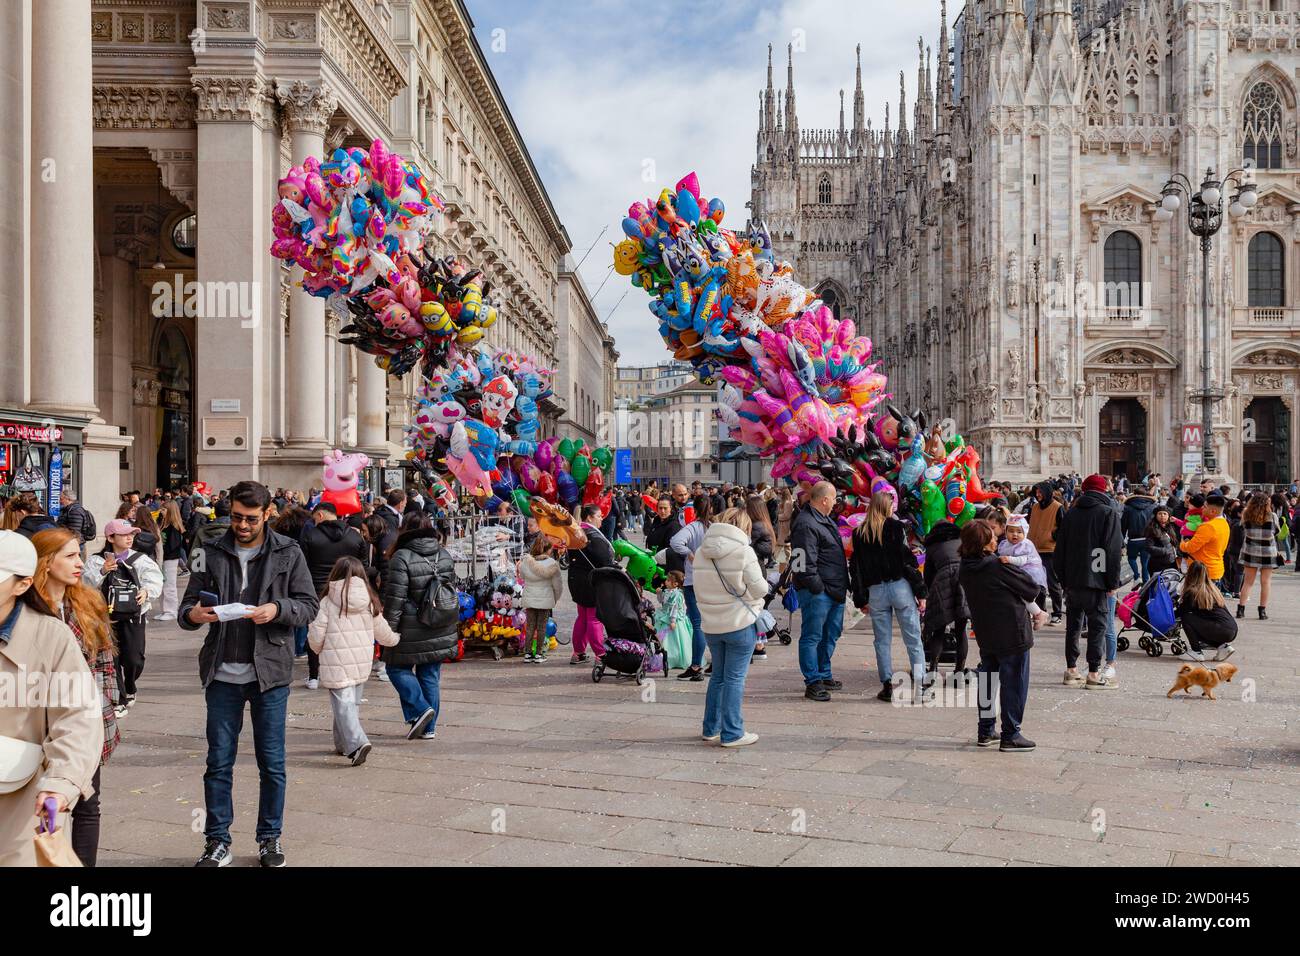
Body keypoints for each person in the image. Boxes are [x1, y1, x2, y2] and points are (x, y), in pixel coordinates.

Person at [179, 480, 319, 868]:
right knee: (218, 762)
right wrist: (193, 614)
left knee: (271, 763)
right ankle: (216, 840)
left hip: (268, 674)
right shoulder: (209, 550)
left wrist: (277, 609)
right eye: (237, 517)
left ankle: (269, 838)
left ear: (268, 513)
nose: (242, 525)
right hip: (221, 672)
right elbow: (187, 607)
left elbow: (308, 606)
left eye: (250, 519)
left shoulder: (288, 552)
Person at [0, 530, 103, 866]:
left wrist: (60, 784)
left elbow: (78, 717)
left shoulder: (50, 636)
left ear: (21, 584)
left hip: (20, 798)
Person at [31, 529, 119, 866]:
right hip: (37, 720)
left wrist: (104, 710)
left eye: (79, 554)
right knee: (40, 800)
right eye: (70, 556)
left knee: (87, 803)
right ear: (46, 561)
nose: (79, 563)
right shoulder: (25, 607)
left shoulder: (88, 601)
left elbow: (106, 663)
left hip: (85, 718)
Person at [307, 556, 398, 766]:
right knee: (350, 705)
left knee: (343, 705)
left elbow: (316, 634)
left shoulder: (328, 601)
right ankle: (342, 744)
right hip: (361, 660)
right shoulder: (368, 598)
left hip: (335, 661)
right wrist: (394, 640)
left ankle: (357, 742)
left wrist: (316, 650)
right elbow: (381, 628)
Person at [958, 519, 1039, 752]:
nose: (997, 539)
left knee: (988, 679)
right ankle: (1011, 733)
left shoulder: (966, 566)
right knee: (1014, 682)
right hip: (1012, 631)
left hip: (985, 629)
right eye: (992, 537)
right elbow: (1031, 588)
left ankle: (985, 730)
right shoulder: (996, 565)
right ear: (982, 543)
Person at [691, 507, 766, 748]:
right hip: (739, 622)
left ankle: (711, 727)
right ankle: (733, 732)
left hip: (711, 625)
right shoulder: (744, 551)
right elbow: (760, 589)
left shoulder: (702, 551)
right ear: (744, 527)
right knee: (735, 679)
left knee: (718, 678)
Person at [381, 513, 459, 741]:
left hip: (410, 625)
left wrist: (388, 631)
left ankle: (419, 709)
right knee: (430, 675)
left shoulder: (401, 557)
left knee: (395, 668)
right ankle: (428, 727)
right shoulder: (443, 554)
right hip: (440, 622)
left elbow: (395, 598)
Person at [850, 490, 927, 703]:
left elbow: (856, 567)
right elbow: (907, 561)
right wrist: (921, 591)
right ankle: (920, 686)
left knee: (882, 641)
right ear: (886, 507)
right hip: (899, 586)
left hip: (876, 591)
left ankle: (887, 685)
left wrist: (860, 597)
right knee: (913, 638)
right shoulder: (895, 528)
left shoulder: (860, 533)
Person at [83, 519, 163, 716]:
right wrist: (102, 571)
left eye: (132, 534)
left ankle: (130, 685)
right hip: (105, 618)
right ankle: (119, 698)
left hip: (134, 616)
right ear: (111, 538)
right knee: (112, 658)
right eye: (124, 534)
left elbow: (155, 581)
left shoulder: (141, 560)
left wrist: (146, 592)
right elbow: (84, 584)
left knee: (134, 659)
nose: (129, 538)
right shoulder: (96, 560)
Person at [1053, 474, 1123, 690]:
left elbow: (1060, 551)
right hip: (1096, 581)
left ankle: (1071, 670)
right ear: (1103, 490)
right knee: (1097, 626)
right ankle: (1093, 672)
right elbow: (1109, 551)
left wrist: (1064, 579)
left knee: (1073, 626)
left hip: (1072, 580)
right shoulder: (1107, 512)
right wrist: (1111, 582)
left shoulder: (1071, 513)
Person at [299, 501, 369, 689]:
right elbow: (363, 566)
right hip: (348, 589)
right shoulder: (355, 536)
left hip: (317, 588)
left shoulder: (310, 535)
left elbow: (302, 566)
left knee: (315, 631)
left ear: (320, 515)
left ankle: (314, 675)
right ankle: (348, 671)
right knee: (348, 632)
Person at [789, 482, 848, 701]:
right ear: (824, 500)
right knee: (812, 636)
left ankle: (824, 673)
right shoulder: (806, 523)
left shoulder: (823, 520)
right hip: (818, 592)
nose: (835, 502)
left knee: (830, 634)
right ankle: (812, 681)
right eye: (833, 498)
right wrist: (817, 588)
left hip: (833, 590)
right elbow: (800, 562)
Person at [921, 519, 972, 685]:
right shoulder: (962, 539)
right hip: (964, 577)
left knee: (939, 628)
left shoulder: (932, 546)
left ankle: (933, 670)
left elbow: (928, 575)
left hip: (942, 578)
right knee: (961, 628)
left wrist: (928, 596)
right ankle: (958, 673)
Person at [669, 496, 714, 681]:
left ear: (693, 510)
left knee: (697, 624)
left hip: (694, 580)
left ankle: (696, 666)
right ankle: (716, 661)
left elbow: (675, 541)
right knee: (712, 623)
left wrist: (689, 553)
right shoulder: (714, 528)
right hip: (712, 580)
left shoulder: (693, 527)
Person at [568, 503, 618, 666]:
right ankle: (600, 654)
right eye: (599, 516)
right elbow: (604, 559)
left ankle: (578, 652)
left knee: (582, 616)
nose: (602, 519)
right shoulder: (591, 535)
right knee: (594, 618)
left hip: (576, 580)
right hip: (591, 581)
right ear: (589, 517)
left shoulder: (576, 532)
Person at [1178, 560, 1238, 663]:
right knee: (1200, 624)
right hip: (1232, 628)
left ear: (1190, 574)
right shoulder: (1212, 589)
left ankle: (1196, 652)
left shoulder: (1192, 592)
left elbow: (1182, 612)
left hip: (1221, 628)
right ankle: (1222, 647)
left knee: (1187, 618)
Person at [996, 515, 1049, 627]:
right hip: (1017, 574)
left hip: (1029, 572)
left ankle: (1039, 614)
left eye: (1019, 532)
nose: (1015, 534)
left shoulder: (1025, 544)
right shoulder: (1005, 544)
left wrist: (1009, 559)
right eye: (1011, 531)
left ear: (1025, 532)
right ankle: (1033, 615)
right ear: (1006, 532)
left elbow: (1023, 560)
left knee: (1024, 596)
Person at [520, 535, 563, 663]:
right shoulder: (552, 564)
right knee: (542, 627)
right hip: (545, 600)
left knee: (530, 627)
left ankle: (527, 653)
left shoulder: (526, 562)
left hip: (529, 598)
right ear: (548, 550)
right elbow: (558, 586)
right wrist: (555, 598)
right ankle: (539, 653)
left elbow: (522, 577)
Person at [1026, 481, 1064, 625]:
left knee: (1052, 583)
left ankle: (1057, 612)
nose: (1038, 495)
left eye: (1040, 492)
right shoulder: (1034, 507)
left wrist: (1051, 536)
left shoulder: (1057, 507)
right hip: (1034, 549)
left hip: (1050, 550)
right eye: (1036, 492)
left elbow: (1063, 529)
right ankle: (1041, 610)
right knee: (1037, 583)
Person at [1236, 492, 1278, 621]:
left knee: (1248, 581)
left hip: (1250, 550)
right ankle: (1262, 611)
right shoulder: (1272, 516)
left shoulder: (1246, 514)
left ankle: (1241, 609)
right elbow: (1276, 531)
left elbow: (1242, 528)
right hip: (1268, 551)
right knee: (1266, 582)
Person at [745, 495, 776, 661]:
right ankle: (759, 645)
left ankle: (757, 645)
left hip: (756, 569)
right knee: (756, 607)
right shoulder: (765, 524)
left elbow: (745, 545)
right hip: (760, 568)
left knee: (752, 609)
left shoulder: (756, 526)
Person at [1181, 492, 1230, 585]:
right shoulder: (1224, 523)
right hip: (1215, 569)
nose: (1201, 509)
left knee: (1198, 599)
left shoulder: (1208, 526)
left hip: (1203, 572)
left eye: (1204, 506)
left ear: (1213, 511)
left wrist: (1183, 543)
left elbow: (1190, 547)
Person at [654, 570, 694, 671]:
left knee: (674, 640)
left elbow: (674, 608)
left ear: (675, 584)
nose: (665, 582)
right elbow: (662, 601)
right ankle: (665, 657)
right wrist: (659, 594)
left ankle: (674, 658)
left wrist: (672, 621)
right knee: (663, 638)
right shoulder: (667, 591)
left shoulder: (677, 594)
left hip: (673, 619)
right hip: (666, 615)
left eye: (668, 580)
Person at [155, 500, 186, 622]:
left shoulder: (174, 527)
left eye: (163, 509)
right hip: (164, 559)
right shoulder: (163, 524)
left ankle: (171, 611)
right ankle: (165, 610)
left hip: (170, 559)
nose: (161, 511)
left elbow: (173, 546)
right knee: (163, 585)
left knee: (169, 586)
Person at [1121, 484, 1157, 584]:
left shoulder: (1128, 507)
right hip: (1147, 538)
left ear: (1134, 494)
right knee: (1145, 561)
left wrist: (1121, 542)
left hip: (1133, 539)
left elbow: (1123, 525)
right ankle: (1145, 582)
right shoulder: (1152, 506)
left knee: (1131, 559)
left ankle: (1137, 577)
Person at [1145, 505, 1179, 575]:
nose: (1162, 516)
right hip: (1158, 565)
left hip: (1172, 564)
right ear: (1156, 516)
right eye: (1160, 514)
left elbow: (1174, 543)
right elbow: (1148, 547)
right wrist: (1165, 551)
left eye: (1165, 514)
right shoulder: (1152, 528)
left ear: (1168, 516)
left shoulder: (1170, 527)